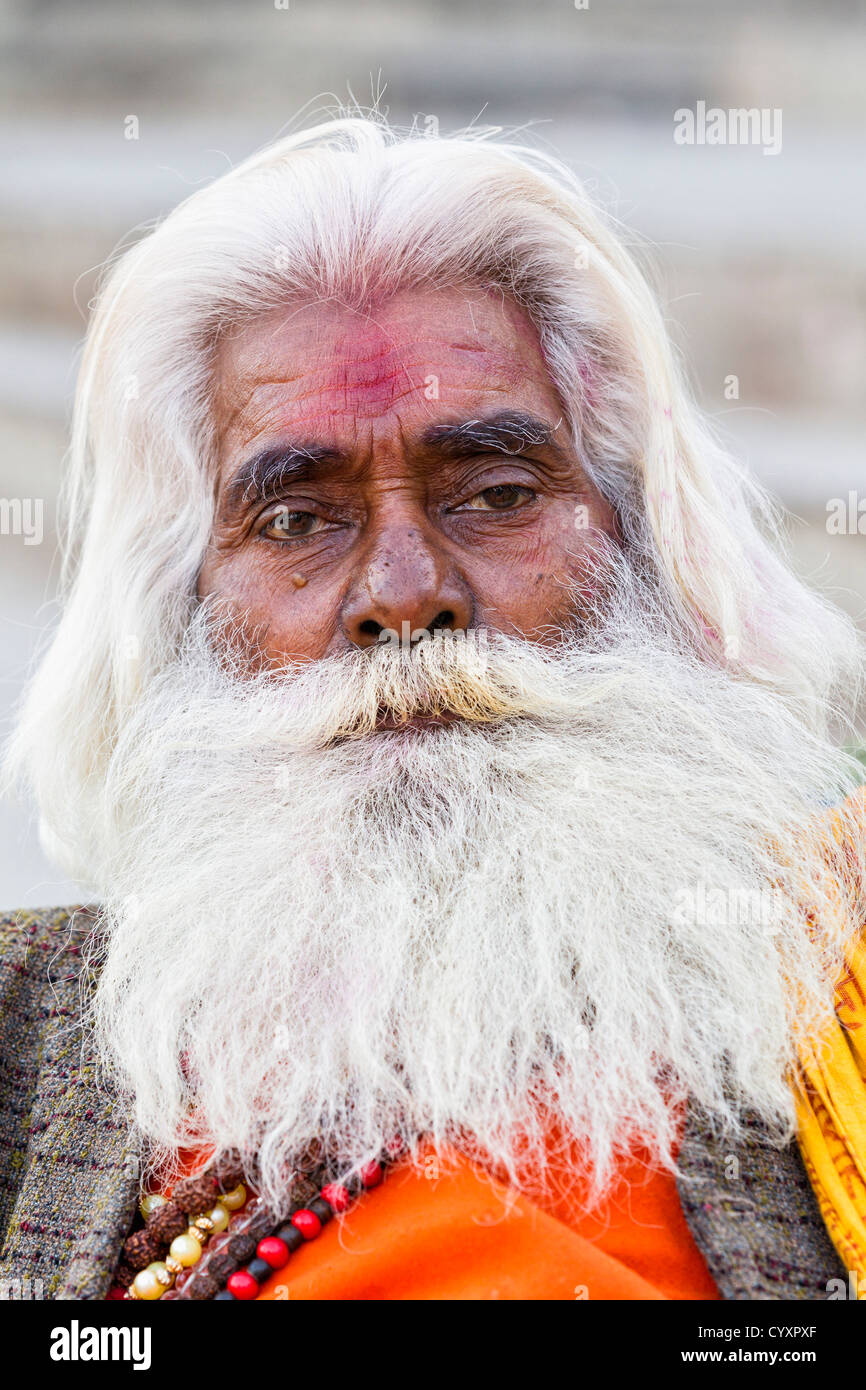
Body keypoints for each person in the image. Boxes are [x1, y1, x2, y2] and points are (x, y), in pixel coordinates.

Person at [2, 117, 865, 1302]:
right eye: (298, 520)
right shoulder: (32, 1034)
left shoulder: (833, 992)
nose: (406, 596)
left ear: (648, 548)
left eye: (497, 492)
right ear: (184, 615)